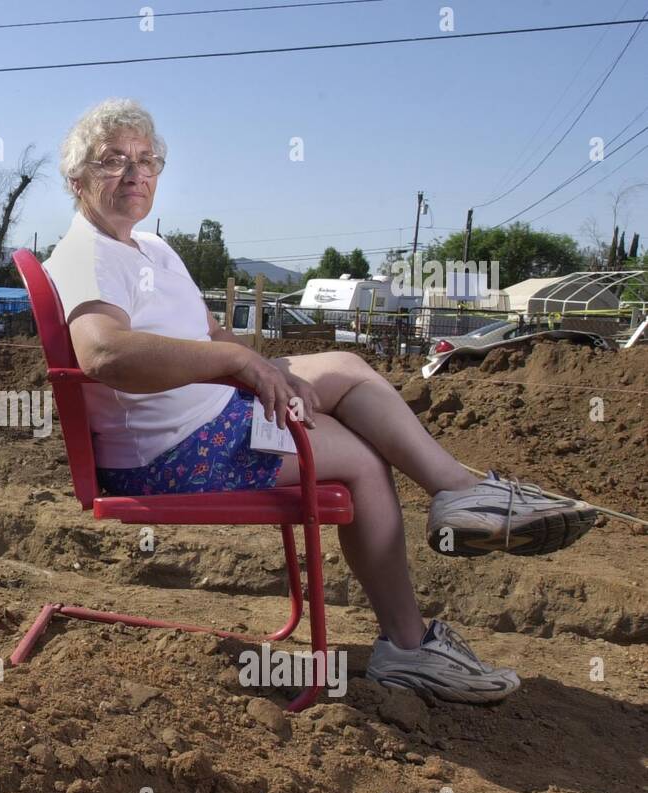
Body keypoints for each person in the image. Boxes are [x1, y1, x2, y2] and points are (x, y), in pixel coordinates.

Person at [43, 98, 597, 705]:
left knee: (346, 368)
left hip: (208, 413)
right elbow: (105, 355)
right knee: (361, 460)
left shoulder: (153, 249)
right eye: (114, 161)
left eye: (147, 160)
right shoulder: (84, 255)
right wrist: (240, 365)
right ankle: (409, 648)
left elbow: (213, 335)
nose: (135, 173)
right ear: (78, 181)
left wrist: (260, 365)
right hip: (169, 448)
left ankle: (460, 492)